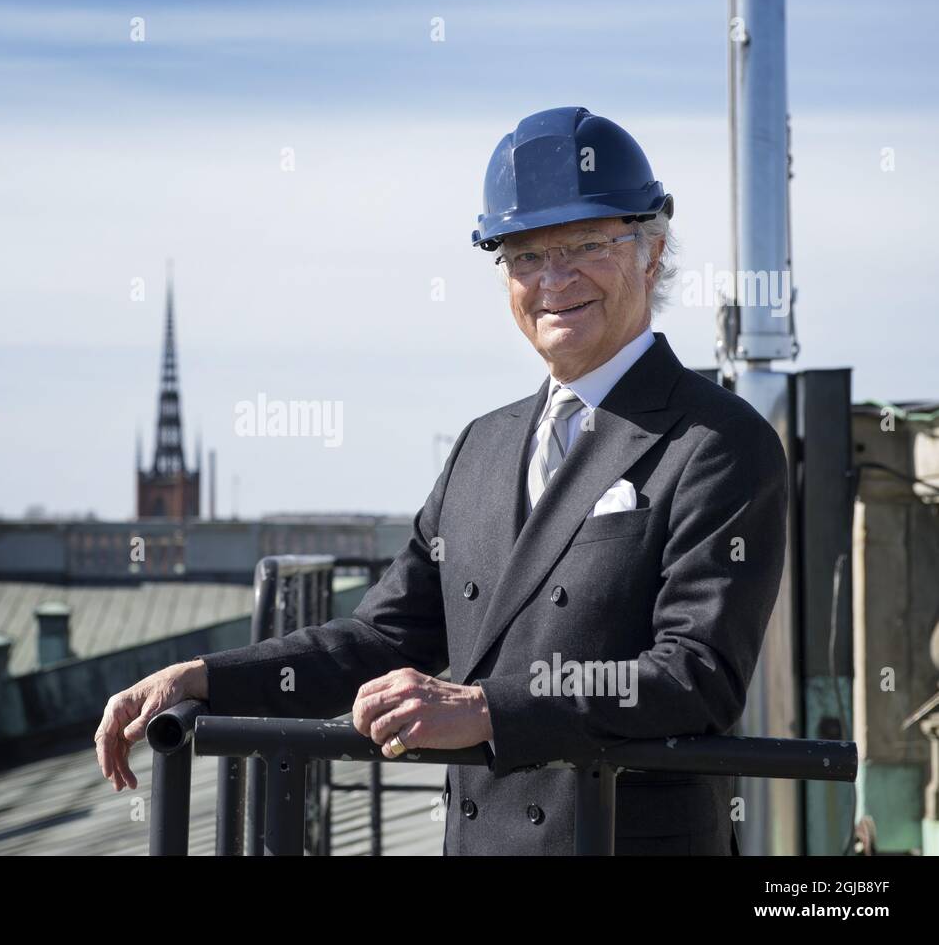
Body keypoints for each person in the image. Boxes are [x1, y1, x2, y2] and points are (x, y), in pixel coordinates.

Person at [96, 106, 788, 855]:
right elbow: (381, 637)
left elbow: (697, 675)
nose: (553, 279)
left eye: (588, 244)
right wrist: (203, 679)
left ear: (652, 254)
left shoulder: (719, 441)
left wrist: (488, 709)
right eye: (524, 254)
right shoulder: (483, 447)